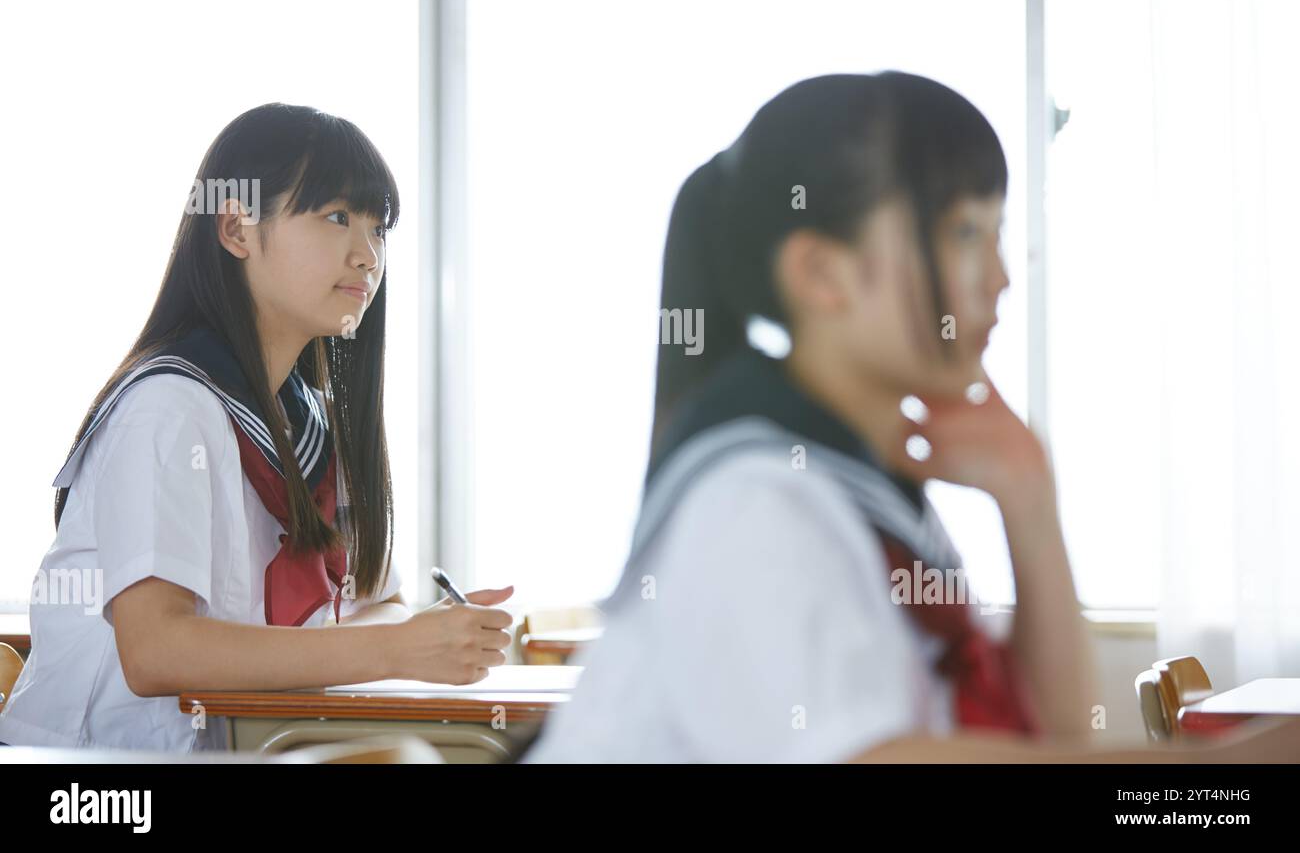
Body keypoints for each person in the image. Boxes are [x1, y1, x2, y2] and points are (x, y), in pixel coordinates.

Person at [524, 72, 1300, 762]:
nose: (998, 278)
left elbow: (1054, 734)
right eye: (964, 233)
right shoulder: (752, 503)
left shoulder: (852, 483)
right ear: (820, 272)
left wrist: (1029, 502)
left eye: (999, 235)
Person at [0, 104, 512, 751]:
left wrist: (419, 637)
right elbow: (156, 649)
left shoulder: (312, 423)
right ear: (237, 228)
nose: (367, 255)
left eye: (379, 228)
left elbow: (376, 604)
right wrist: (398, 648)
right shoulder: (170, 408)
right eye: (336, 217)